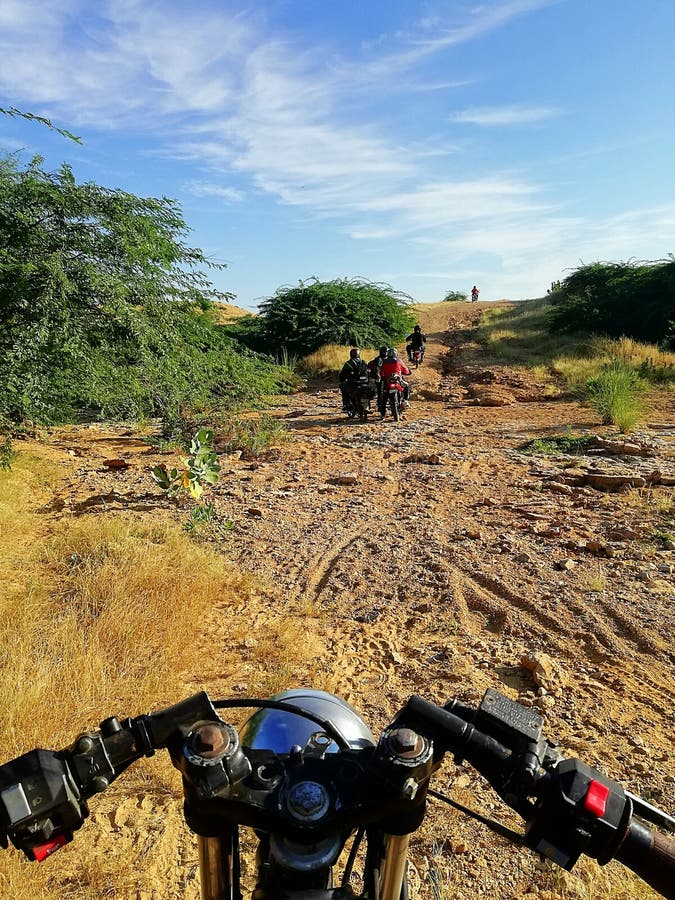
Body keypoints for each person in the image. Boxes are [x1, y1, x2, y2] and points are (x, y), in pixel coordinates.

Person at [378, 348, 411, 417]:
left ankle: (382, 413)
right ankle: (405, 400)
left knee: (384, 397)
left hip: (387, 381)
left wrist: (383, 378)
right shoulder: (399, 361)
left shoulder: (384, 361)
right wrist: (408, 372)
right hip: (397, 380)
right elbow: (405, 370)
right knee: (407, 386)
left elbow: (381, 372)